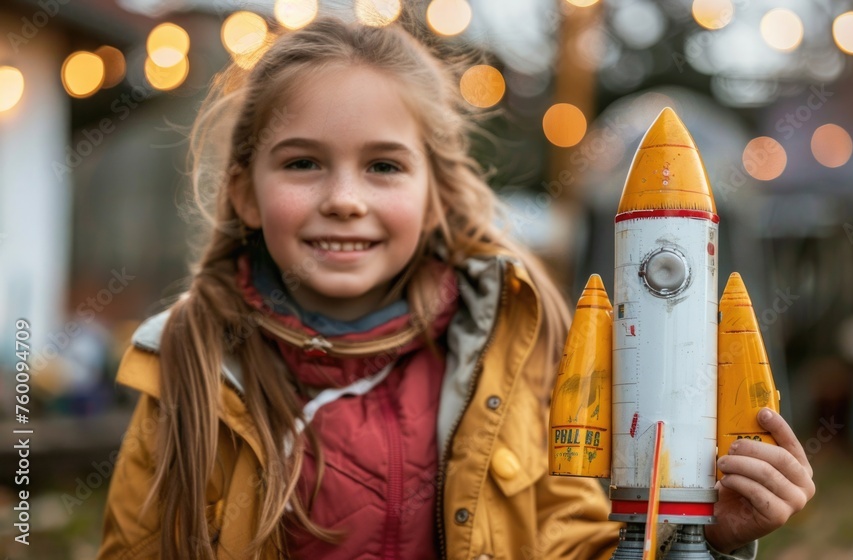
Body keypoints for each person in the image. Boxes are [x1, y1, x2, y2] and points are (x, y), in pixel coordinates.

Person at [97, 13, 815, 560]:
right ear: (245, 194)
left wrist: (707, 538)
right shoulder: (189, 370)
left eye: (383, 166)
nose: (345, 198)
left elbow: (569, 545)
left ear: (436, 195)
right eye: (303, 164)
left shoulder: (510, 350)